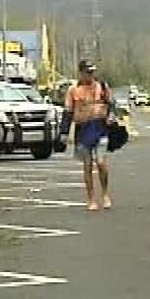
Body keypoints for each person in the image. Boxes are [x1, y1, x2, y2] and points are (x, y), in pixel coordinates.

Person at [64, 59, 117, 211]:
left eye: (92, 72)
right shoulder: (73, 90)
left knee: (101, 163)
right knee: (87, 165)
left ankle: (105, 194)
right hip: (83, 129)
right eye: (87, 72)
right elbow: (68, 112)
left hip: (100, 127)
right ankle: (91, 198)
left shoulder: (101, 86)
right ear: (80, 73)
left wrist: (111, 115)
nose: (90, 75)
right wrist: (63, 133)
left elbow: (111, 104)